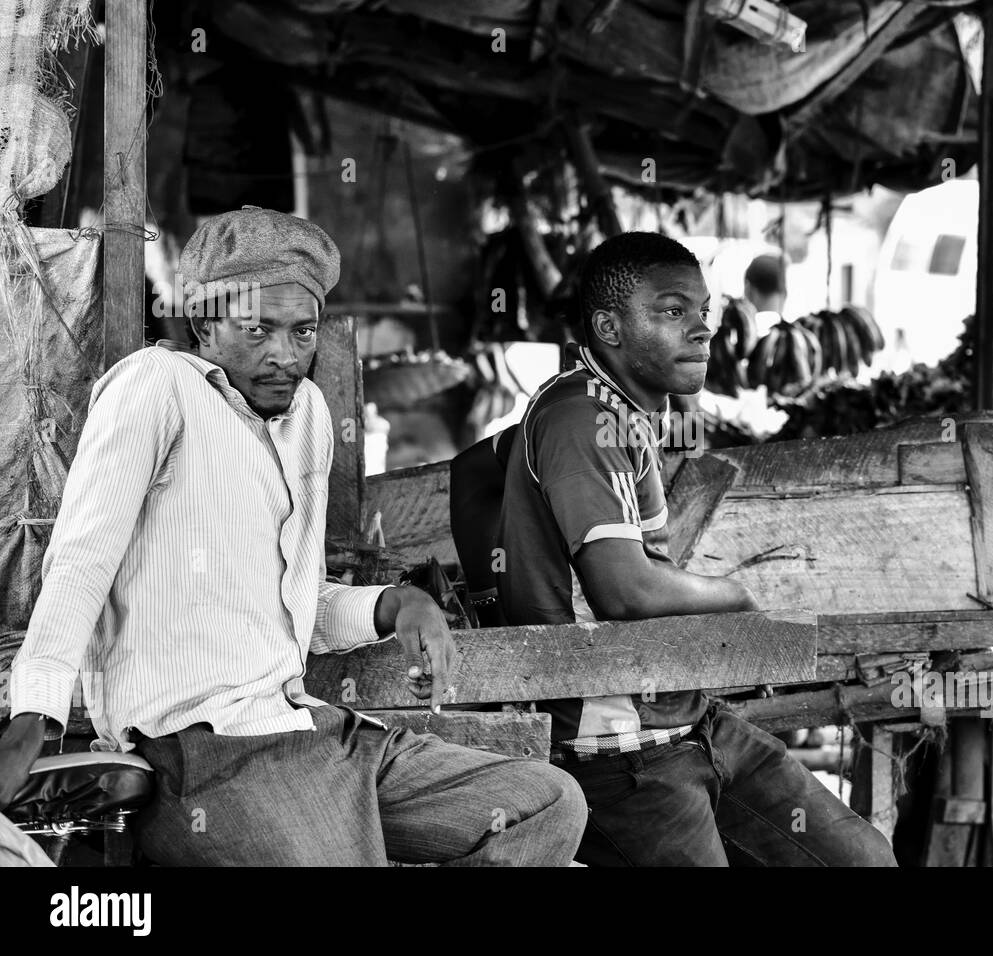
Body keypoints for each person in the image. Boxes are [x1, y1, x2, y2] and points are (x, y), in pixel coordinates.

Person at [0, 207, 585, 866]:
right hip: (208, 758)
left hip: (321, 735)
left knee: (550, 803)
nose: (282, 354)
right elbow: (80, 560)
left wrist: (397, 604)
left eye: (301, 331)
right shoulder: (156, 387)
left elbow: (293, 603)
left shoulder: (305, 415)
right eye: (256, 329)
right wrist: (36, 713)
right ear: (205, 324)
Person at [496, 231, 896, 866]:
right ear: (609, 327)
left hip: (688, 719)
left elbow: (644, 566)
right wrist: (737, 600)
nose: (703, 329)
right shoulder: (578, 418)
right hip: (615, 744)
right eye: (673, 311)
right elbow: (627, 592)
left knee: (860, 859)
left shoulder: (625, 413)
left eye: (703, 311)